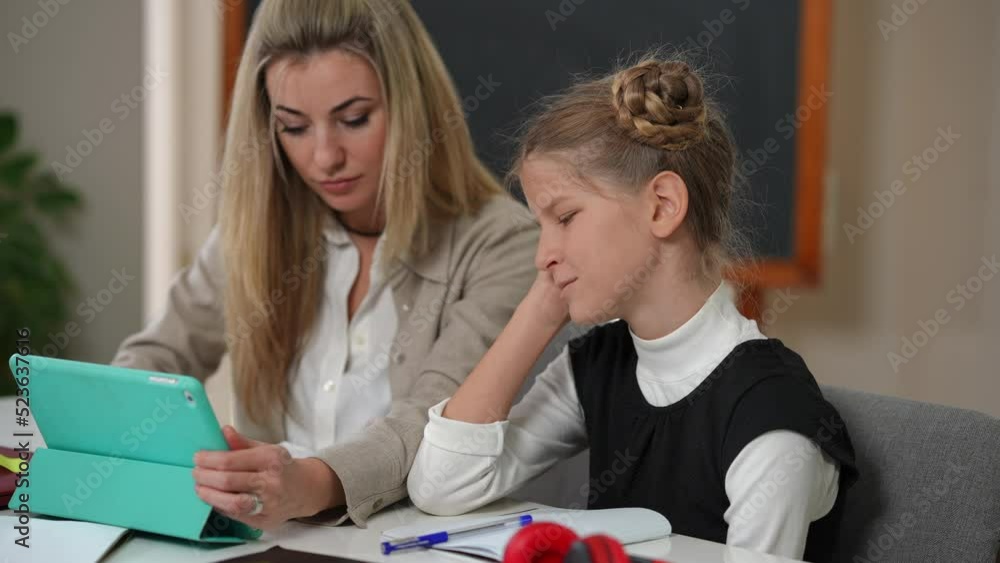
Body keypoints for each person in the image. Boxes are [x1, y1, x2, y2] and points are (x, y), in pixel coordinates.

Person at [406, 55, 858, 561]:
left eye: (565, 217)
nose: (541, 254)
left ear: (662, 206)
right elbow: (441, 487)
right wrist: (541, 306)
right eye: (540, 226)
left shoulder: (768, 422)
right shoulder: (597, 365)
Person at [111, 0, 537, 530]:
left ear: (415, 107)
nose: (324, 157)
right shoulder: (252, 231)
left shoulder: (505, 245)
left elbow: (431, 423)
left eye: (353, 119)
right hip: (275, 543)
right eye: (293, 127)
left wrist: (307, 484)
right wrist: (114, 427)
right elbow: (157, 356)